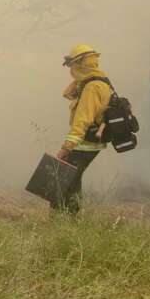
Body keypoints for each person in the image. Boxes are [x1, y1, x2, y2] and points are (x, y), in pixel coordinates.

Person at [54, 44, 112, 214]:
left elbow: (82, 120)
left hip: (85, 142)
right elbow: (68, 94)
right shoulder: (97, 81)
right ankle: (68, 215)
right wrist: (80, 81)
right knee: (73, 177)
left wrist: (66, 147)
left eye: (72, 65)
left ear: (80, 64)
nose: (70, 69)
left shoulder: (92, 87)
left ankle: (69, 217)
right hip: (91, 141)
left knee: (68, 179)